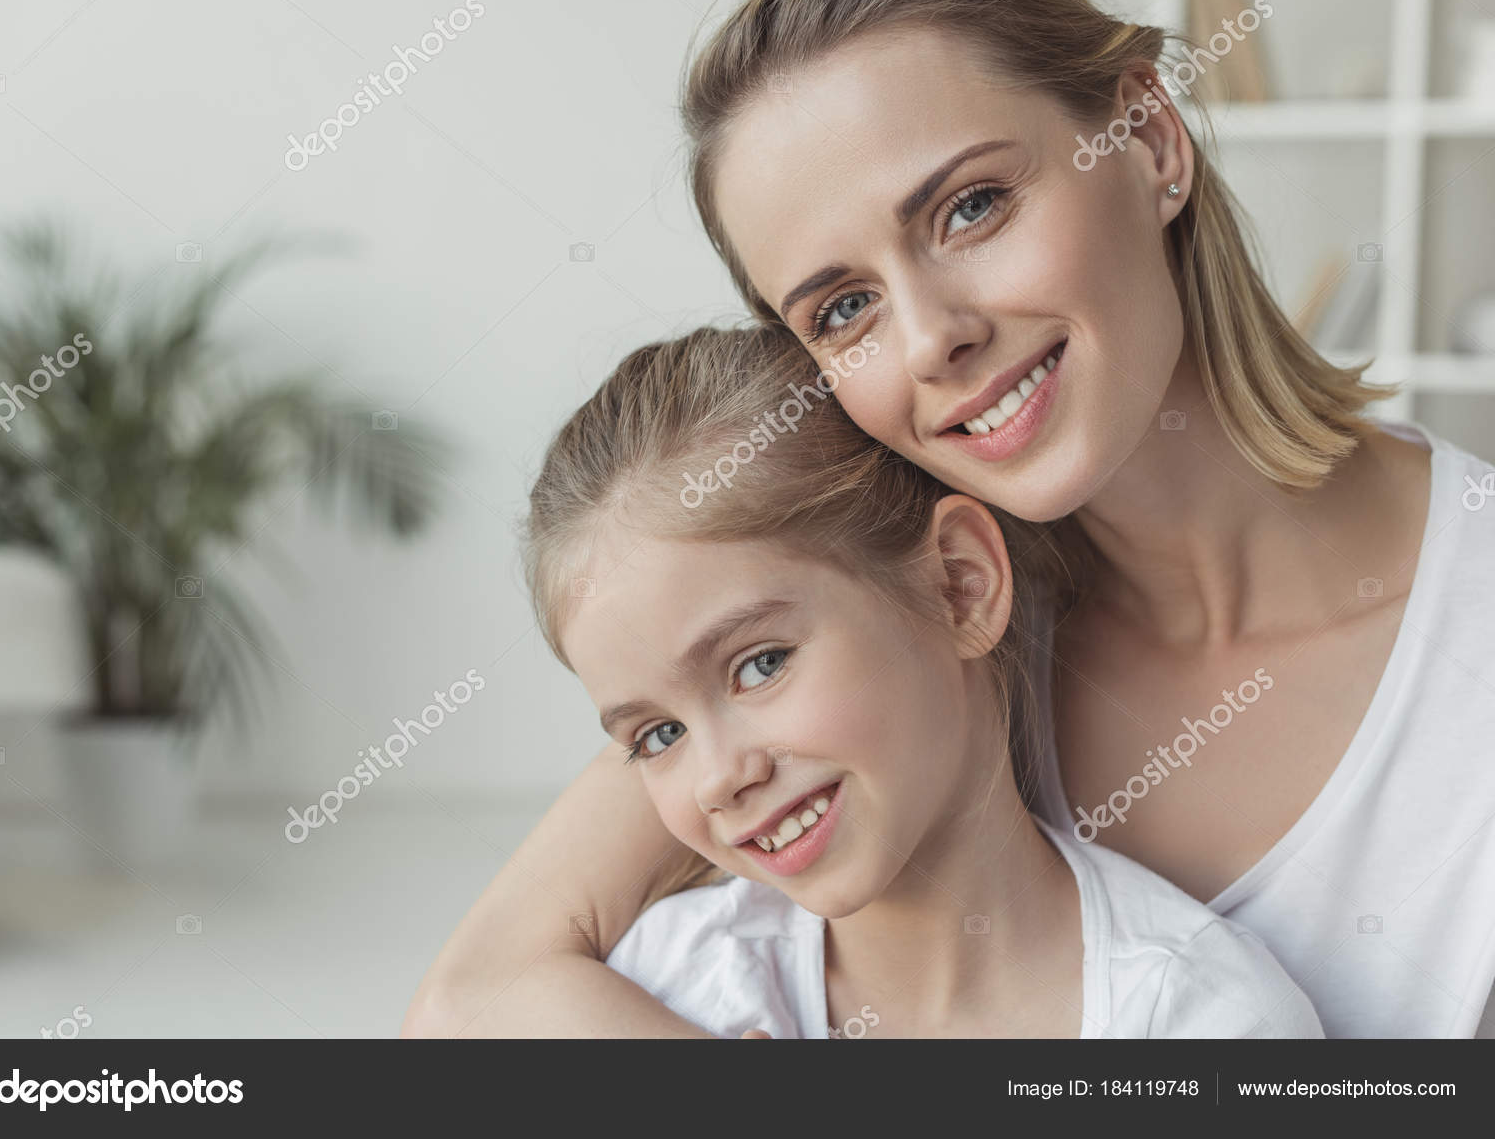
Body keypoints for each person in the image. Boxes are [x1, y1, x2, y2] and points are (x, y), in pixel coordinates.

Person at [405, 0, 1495, 1038]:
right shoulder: (903, 622)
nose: (932, 338)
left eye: (970, 207)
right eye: (843, 309)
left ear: (1152, 141)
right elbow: (471, 1004)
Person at [523, 323, 1321, 1037]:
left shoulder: (1203, 1021)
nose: (721, 779)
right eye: (658, 735)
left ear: (958, 584)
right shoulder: (660, 987)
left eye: (760, 665)